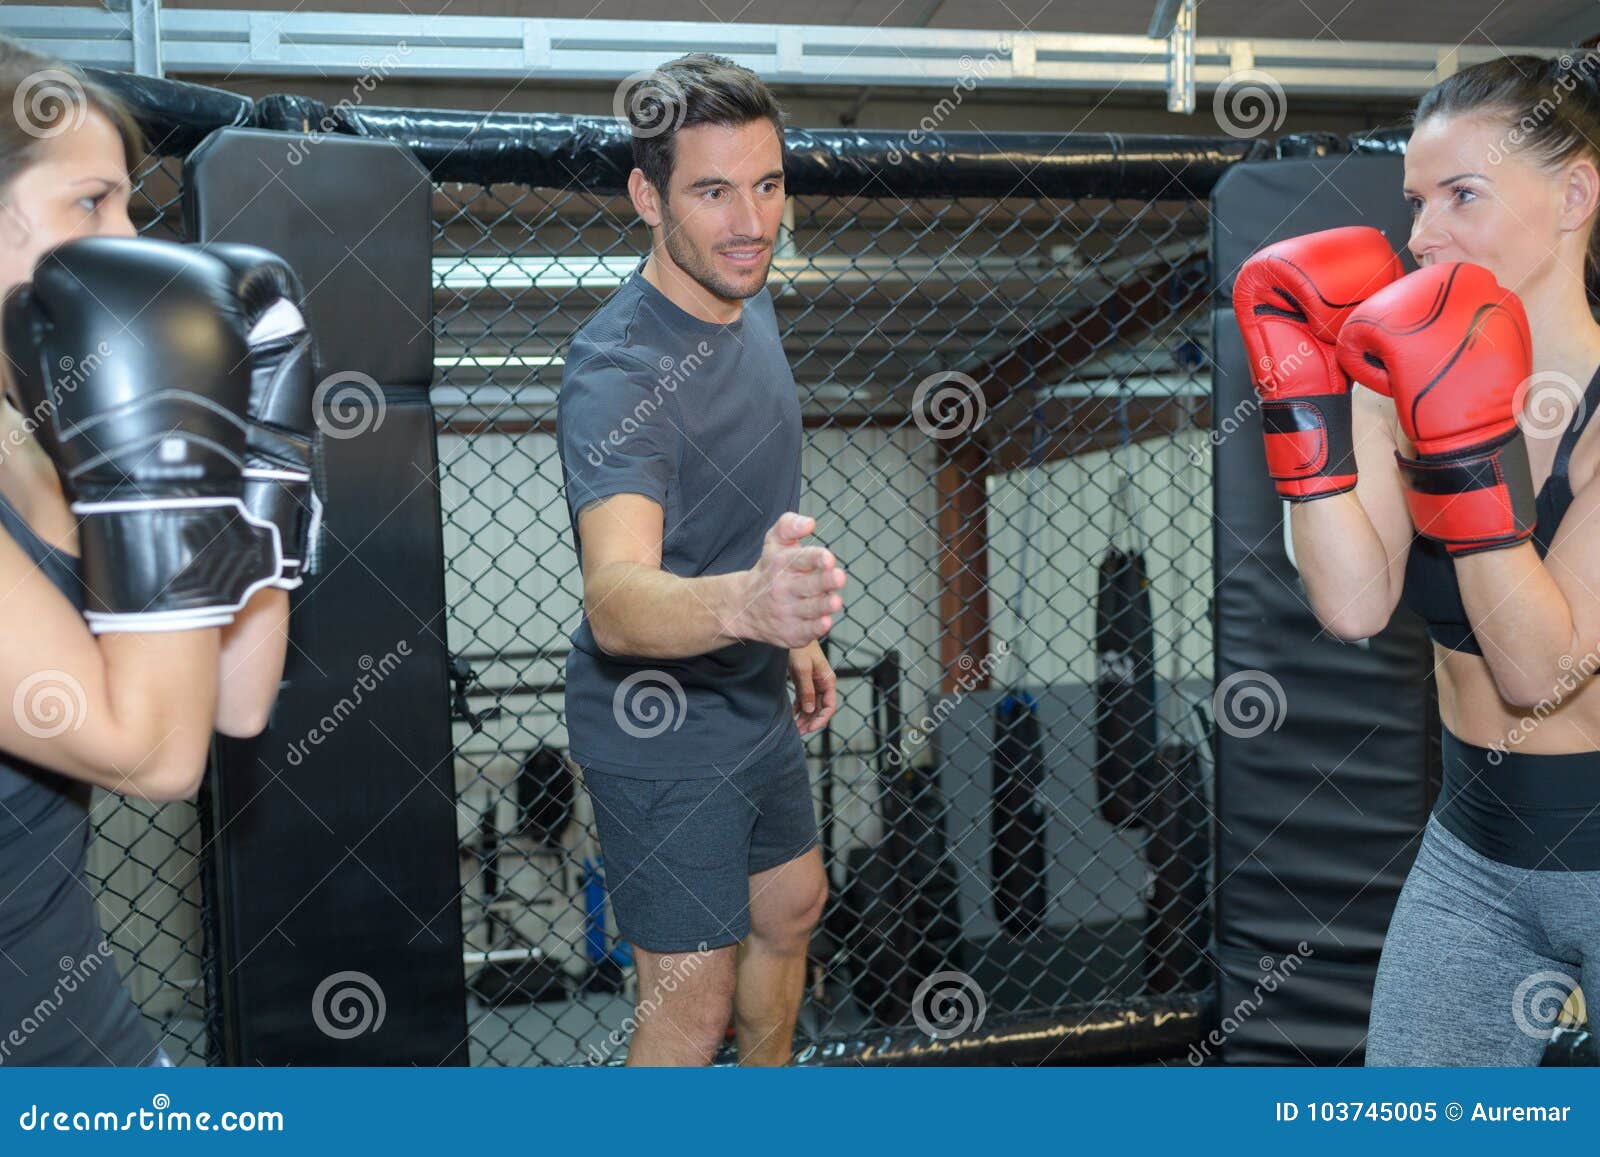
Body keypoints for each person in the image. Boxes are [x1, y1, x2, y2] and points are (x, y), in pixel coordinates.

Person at [1235, 49, 1600, 1065]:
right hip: (1472, 852)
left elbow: (1538, 668)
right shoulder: (1398, 373)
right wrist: (1301, 405)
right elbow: (1353, 604)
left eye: (1460, 195)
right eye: (1414, 199)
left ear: (1574, 194)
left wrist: (1461, 445)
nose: (1421, 233)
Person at [0, 37, 319, 1065]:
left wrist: (262, 450)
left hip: (69, 1016)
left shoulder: (40, 437)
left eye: (132, 206)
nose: (127, 237)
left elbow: (233, 698)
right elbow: (153, 751)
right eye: (91, 204)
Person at [557, 53, 846, 1066]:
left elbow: (745, 511)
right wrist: (756, 609)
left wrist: (785, 637)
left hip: (749, 689)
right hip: (656, 719)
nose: (750, 221)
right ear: (647, 196)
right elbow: (617, 599)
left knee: (794, 904)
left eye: (767, 184)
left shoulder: (747, 294)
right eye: (712, 191)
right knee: (690, 1006)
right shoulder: (618, 369)